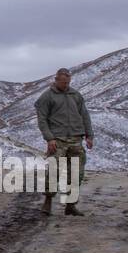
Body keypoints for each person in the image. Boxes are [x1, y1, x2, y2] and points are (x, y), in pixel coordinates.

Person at [34, 68, 94, 216]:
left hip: (75, 140)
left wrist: (89, 135)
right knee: (53, 171)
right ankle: (47, 202)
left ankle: (70, 205)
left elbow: (85, 115)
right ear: (56, 80)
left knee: (76, 173)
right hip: (58, 140)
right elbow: (42, 120)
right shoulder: (47, 97)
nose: (66, 84)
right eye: (63, 82)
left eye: (68, 82)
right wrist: (49, 138)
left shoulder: (76, 95)